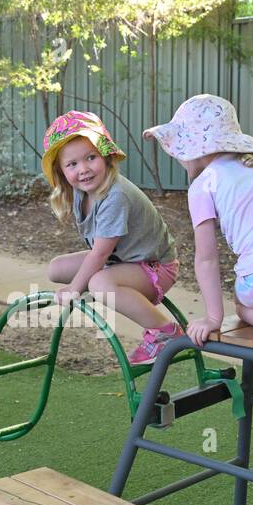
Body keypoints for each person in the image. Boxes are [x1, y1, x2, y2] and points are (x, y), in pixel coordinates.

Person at [143, 94, 253, 357]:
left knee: (242, 305)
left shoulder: (204, 185)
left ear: (192, 147)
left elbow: (207, 259)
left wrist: (213, 318)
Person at [41, 111, 183, 364]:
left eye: (91, 157)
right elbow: (100, 252)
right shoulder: (81, 192)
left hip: (154, 267)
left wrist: (75, 289)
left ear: (106, 156)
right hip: (123, 260)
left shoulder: (115, 195)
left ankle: (166, 332)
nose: (83, 169)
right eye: (72, 164)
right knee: (56, 269)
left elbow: (100, 253)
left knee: (99, 284)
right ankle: (110, 283)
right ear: (61, 171)